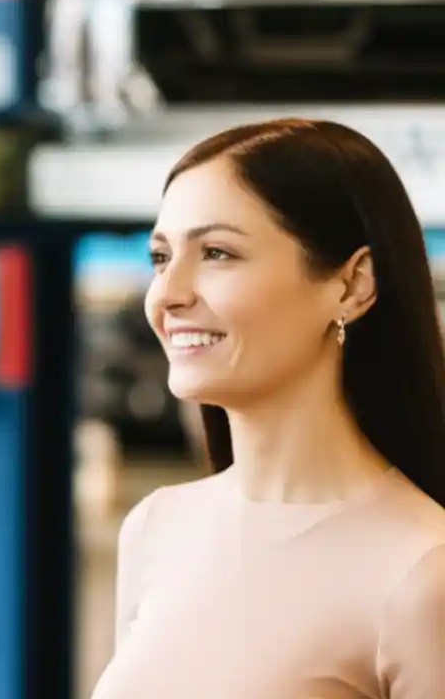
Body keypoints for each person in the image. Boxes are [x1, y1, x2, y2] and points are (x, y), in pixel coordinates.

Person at [91, 119, 445, 698]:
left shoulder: (424, 575)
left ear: (352, 286)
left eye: (217, 252)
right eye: (160, 256)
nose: (167, 293)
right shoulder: (156, 528)